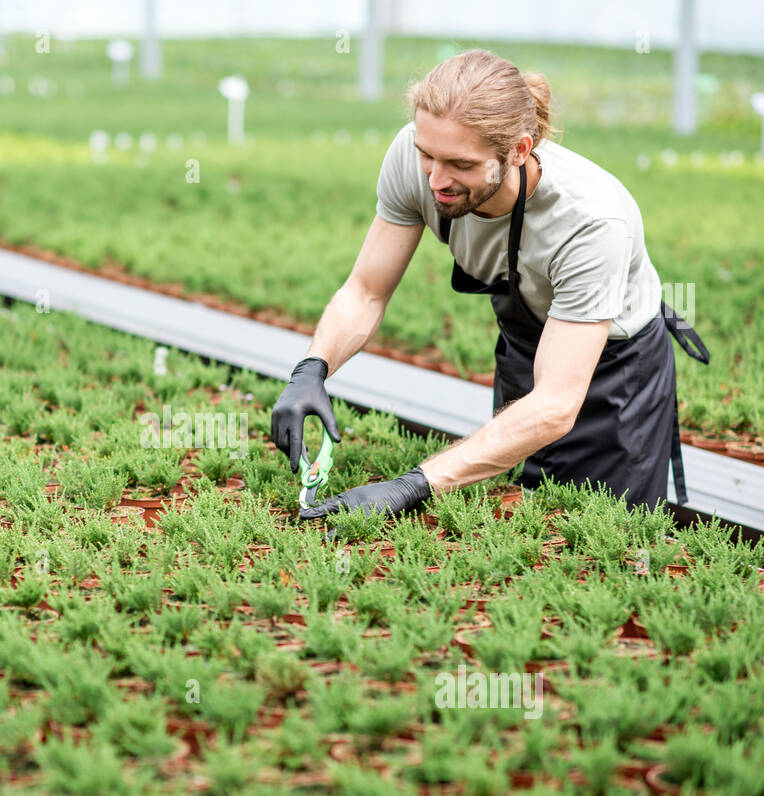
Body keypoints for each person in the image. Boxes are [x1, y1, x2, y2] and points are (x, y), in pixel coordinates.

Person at [270, 49, 709, 521]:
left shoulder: (590, 221)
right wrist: (312, 369)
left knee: (598, 534)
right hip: (526, 348)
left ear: (519, 151)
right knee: (515, 515)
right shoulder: (413, 155)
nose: (437, 180)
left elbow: (557, 403)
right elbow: (366, 291)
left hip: (615, 376)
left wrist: (412, 486)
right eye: (426, 155)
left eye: (460, 164)